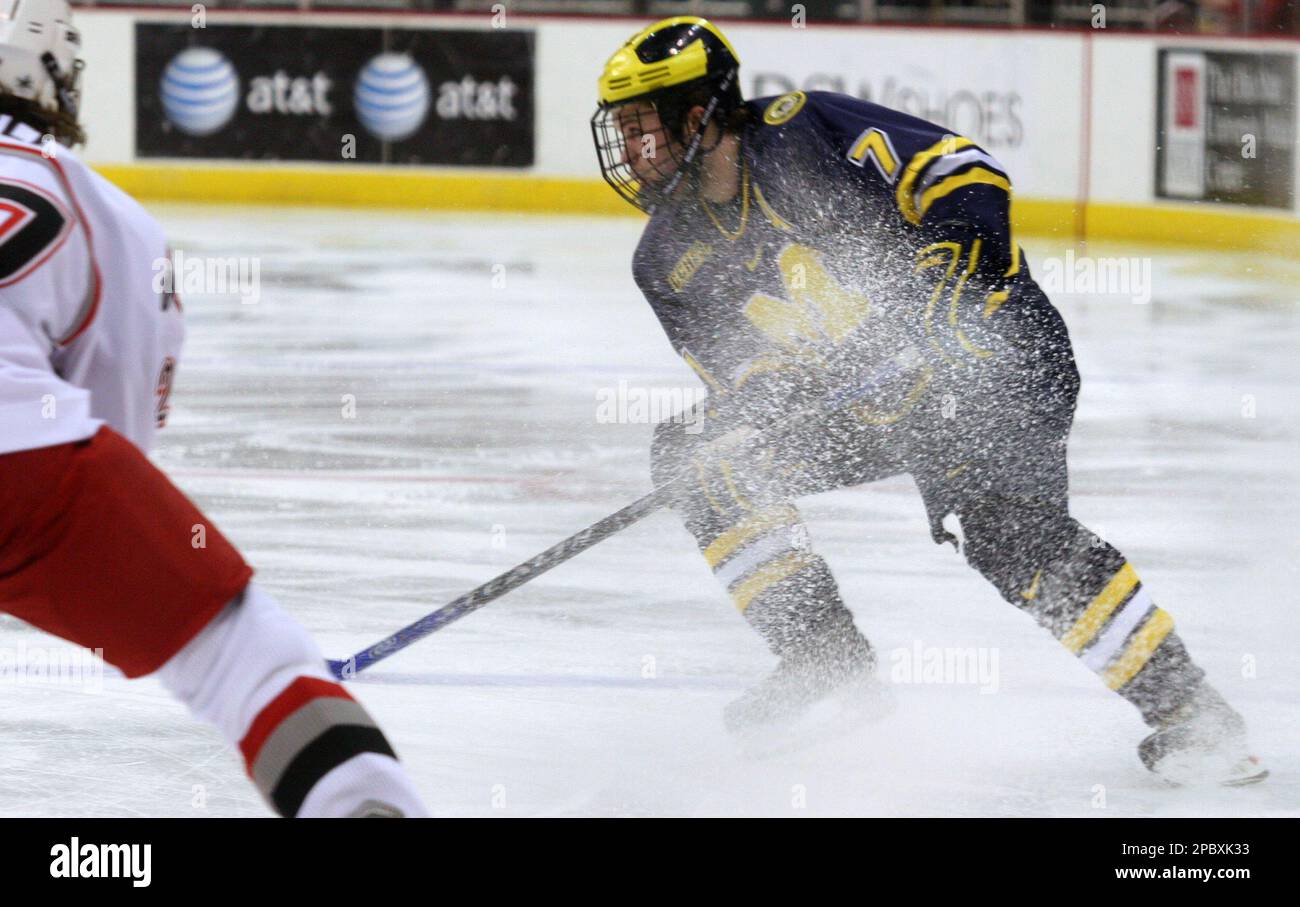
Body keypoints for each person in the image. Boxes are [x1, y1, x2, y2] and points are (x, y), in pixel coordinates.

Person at [590, 16, 1266, 785]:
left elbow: (965, 172)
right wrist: (752, 420)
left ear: (701, 114)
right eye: (624, 131)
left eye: (643, 127)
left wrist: (946, 294)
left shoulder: (801, 137)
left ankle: (1195, 716)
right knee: (697, 452)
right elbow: (745, 381)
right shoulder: (666, 257)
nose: (632, 152)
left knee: (1011, 536)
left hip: (990, 357)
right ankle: (826, 662)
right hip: (872, 404)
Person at [0, 0, 428, 816]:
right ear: (50, 73)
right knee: (245, 658)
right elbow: (116, 435)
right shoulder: (101, 208)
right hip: (24, 456)